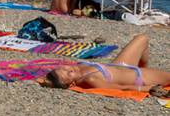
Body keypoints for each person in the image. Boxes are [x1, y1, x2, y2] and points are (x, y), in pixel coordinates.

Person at [41, 34, 170, 92]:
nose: (69, 70)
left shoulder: (78, 68)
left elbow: (47, 79)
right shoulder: (89, 79)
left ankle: (145, 68)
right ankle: (147, 72)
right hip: (138, 77)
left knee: (142, 38)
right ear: (71, 84)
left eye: (63, 68)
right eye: (68, 75)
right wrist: (149, 88)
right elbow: (120, 89)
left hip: (120, 65)